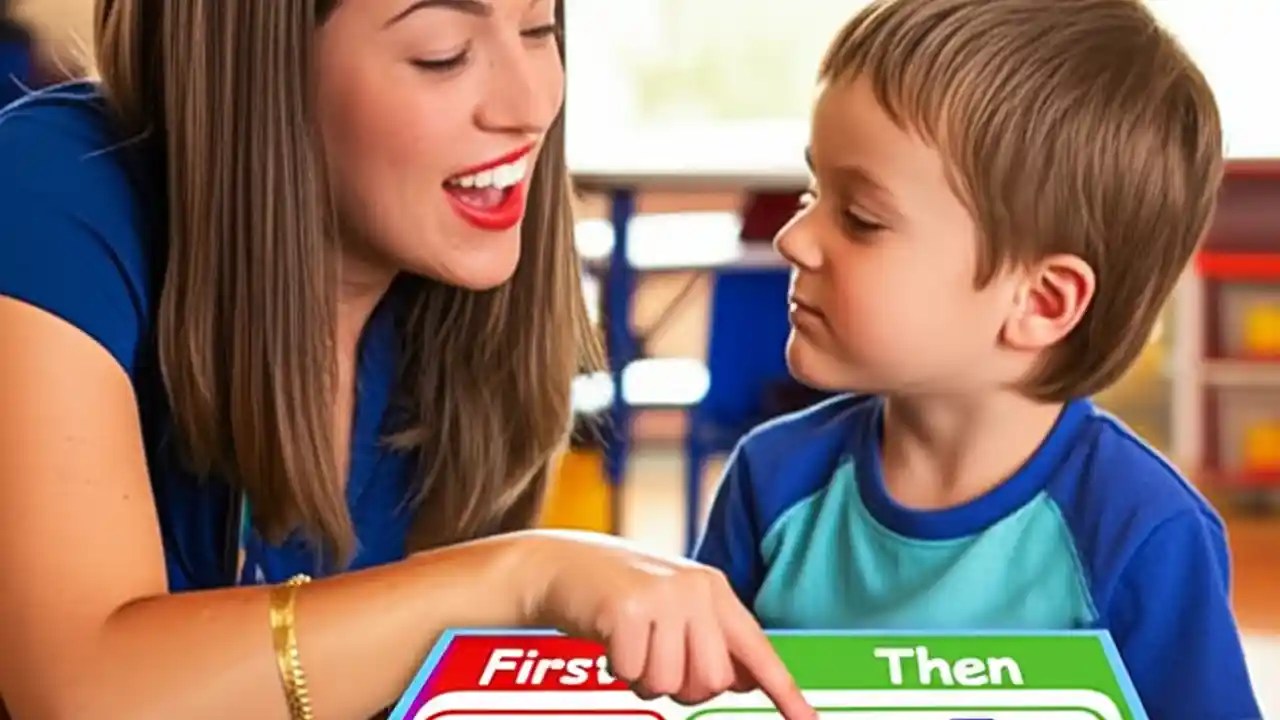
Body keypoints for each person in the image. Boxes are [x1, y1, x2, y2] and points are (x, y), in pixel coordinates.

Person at [0, 1, 817, 719]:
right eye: (442, 54)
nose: (530, 105)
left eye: (539, 27)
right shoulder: (49, 189)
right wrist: (516, 578)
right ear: (265, 71)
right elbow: (85, 690)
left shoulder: (453, 301)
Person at [694, 0, 1261, 718]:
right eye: (812, 192)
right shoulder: (772, 481)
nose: (796, 240)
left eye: (861, 219)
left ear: (1041, 302)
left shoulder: (1142, 532)